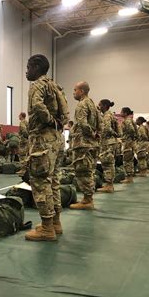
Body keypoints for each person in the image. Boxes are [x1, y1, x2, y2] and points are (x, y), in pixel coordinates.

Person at [23, 54, 68, 241]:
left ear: (36, 67)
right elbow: (65, 112)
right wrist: (57, 123)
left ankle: (47, 228)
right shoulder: (54, 86)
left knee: (41, 182)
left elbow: (38, 107)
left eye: (28, 67)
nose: (26, 71)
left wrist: (48, 121)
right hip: (56, 138)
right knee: (54, 181)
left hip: (43, 138)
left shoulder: (37, 86)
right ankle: (55, 222)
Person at [69, 82, 101, 210]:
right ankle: (88, 198)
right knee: (89, 170)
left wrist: (91, 133)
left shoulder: (82, 104)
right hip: (92, 144)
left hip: (83, 143)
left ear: (81, 91)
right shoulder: (93, 104)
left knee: (82, 171)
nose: (74, 92)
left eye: (75, 90)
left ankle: (88, 200)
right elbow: (101, 123)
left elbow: (82, 123)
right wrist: (96, 134)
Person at [96, 99, 120, 193]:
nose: (99, 107)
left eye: (100, 105)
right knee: (110, 163)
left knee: (107, 163)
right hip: (111, 142)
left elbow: (106, 128)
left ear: (105, 106)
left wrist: (112, 133)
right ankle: (109, 184)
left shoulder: (107, 115)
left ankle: (109, 185)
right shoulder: (111, 115)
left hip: (108, 142)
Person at [119, 107, 138, 183]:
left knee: (127, 160)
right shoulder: (130, 120)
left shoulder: (127, 121)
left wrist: (128, 138)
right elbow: (135, 131)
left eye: (121, 112)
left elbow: (131, 130)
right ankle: (130, 177)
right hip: (130, 142)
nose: (120, 113)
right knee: (129, 159)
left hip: (128, 142)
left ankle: (129, 178)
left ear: (125, 113)